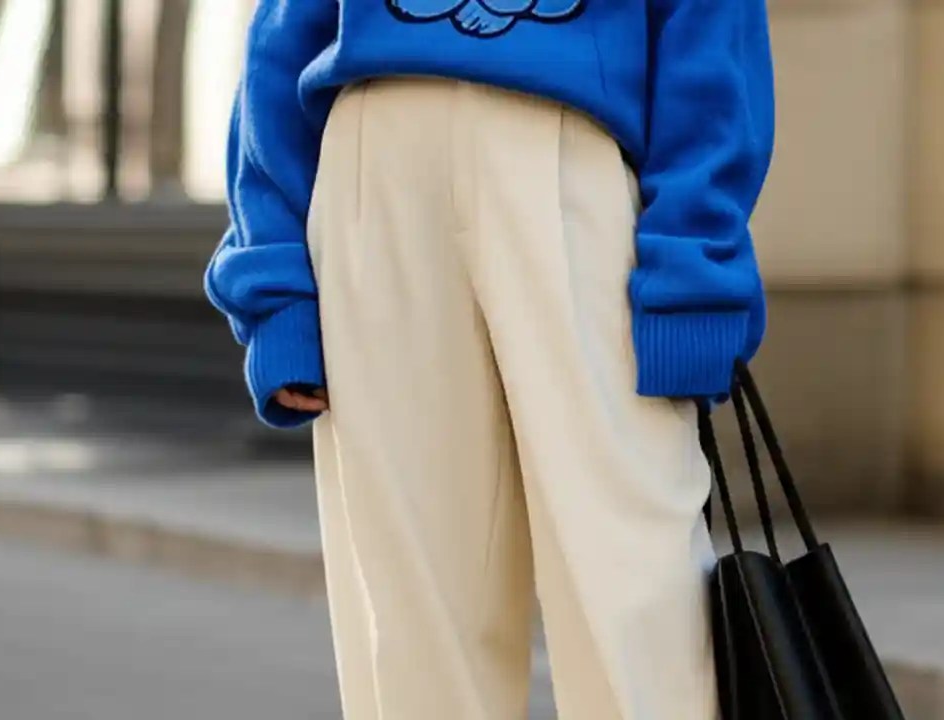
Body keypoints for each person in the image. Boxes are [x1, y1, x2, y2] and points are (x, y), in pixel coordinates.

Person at [204, 1, 774, 717]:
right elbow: (281, 39)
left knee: (635, 592)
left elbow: (710, 34)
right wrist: (276, 290)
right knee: (414, 615)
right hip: (372, 158)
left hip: (572, 153)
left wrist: (693, 278)